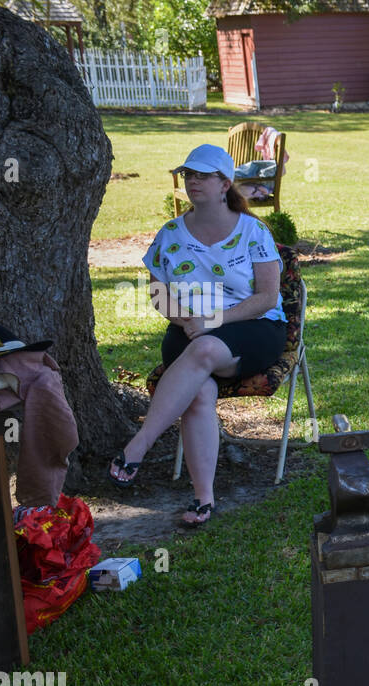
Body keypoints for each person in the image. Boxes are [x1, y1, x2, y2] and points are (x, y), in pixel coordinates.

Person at [109, 145, 286, 525]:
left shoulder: (253, 230)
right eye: (189, 175)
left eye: (202, 176)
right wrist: (186, 319)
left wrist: (212, 322)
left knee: (205, 348)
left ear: (225, 184)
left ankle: (139, 444)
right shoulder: (170, 233)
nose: (193, 182)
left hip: (253, 329)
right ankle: (203, 499)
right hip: (186, 330)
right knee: (199, 391)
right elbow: (158, 294)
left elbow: (267, 297)